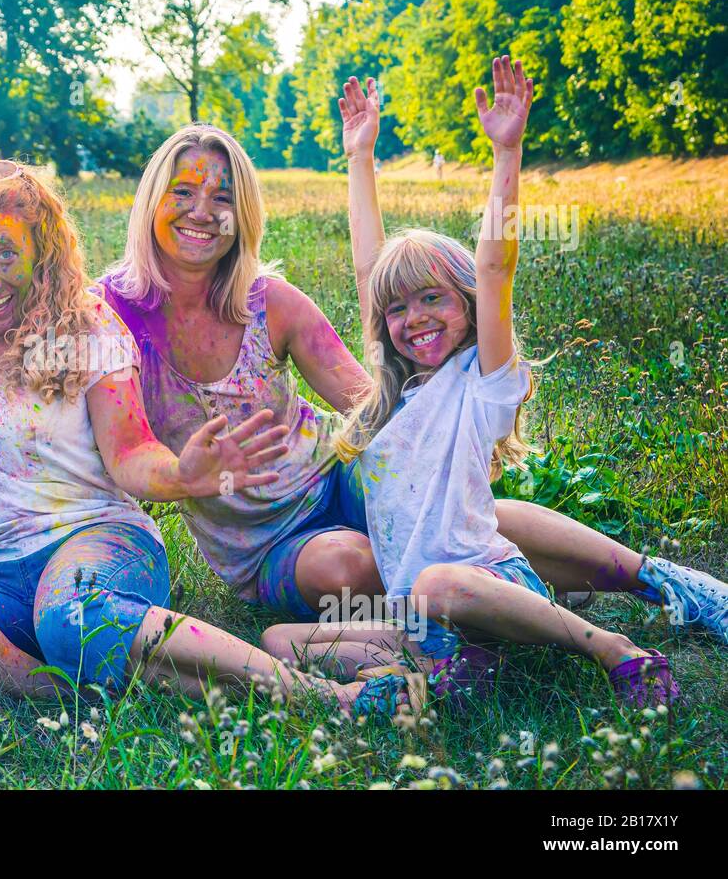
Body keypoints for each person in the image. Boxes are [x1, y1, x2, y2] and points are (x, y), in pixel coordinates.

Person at [0, 0, 412, 716]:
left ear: (40, 247)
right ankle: (50, 689)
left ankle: (315, 694)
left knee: (71, 614)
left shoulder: (87, 323)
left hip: (99, 545)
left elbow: (132, 455)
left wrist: (189, 473)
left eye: (5, 254)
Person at [95, 114, 727, 649]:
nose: (202, 211)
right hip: (264, 542)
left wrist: (442, 437)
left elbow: (370, 396)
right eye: (182, 192)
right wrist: (183, 476)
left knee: (459, 516)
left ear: (244, 214)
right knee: (348, 562)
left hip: (338, 474)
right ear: (152, 198)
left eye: (223, 196)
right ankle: (464, 619)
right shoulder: (108, 314)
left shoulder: (269, 301)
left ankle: (661, 581)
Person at [261, 64, 678, 707]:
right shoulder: (389, 395)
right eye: (399, 309)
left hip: (484, 583)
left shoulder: (480, 381)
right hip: (419, 611)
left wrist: (506, 152)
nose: (414, 319)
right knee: (280, 640)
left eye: (434, 299)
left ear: (466, 304)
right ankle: (462, 664)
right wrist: (360, 156)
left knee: (435, 585)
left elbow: (494, 265)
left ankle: (609, 647)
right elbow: (369, 268)